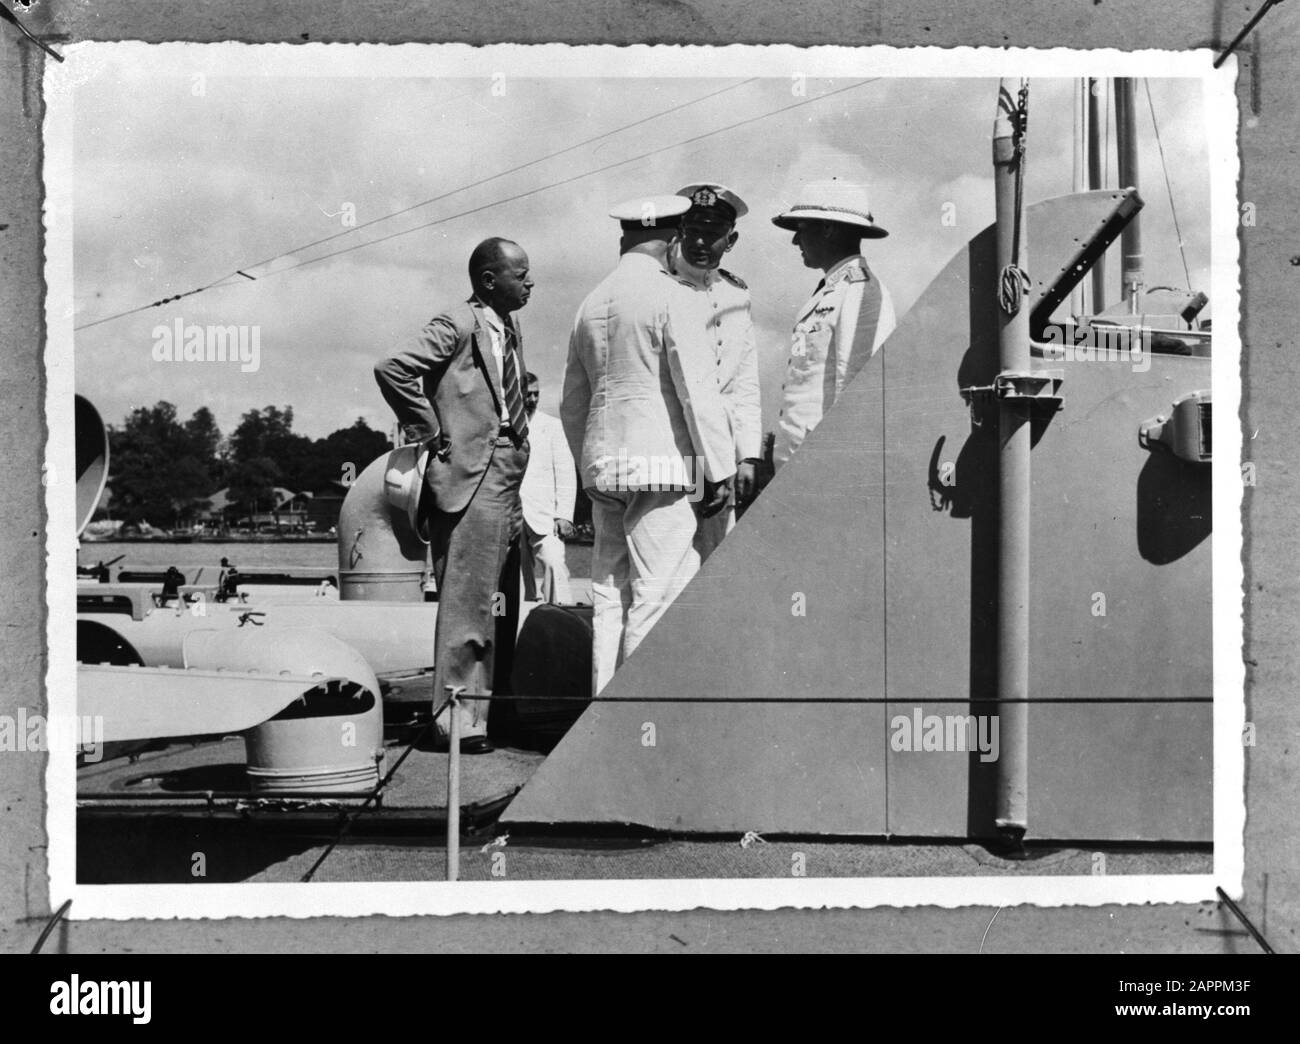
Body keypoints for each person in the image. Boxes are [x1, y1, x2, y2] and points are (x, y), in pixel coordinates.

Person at [562, 194, 736, 694]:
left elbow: (574, 400)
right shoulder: (672, 294)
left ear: (625, 239)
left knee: (609, 597)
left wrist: (587, 468)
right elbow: (696, 391)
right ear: (673, 237)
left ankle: (602, 718)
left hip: (604, 469)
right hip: (664, 470)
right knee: (656, 597)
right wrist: (718, 470)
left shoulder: (590, 302)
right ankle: (643, 722)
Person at [374, 236, 534, 754]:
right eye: (521, 274)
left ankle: (486, 714)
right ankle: (456, 725)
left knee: (497, 600)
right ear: (490, 280)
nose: (531, 283)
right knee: (468, 604)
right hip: (472, 475)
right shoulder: (457, 323)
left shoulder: (507, 326)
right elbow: (392, 368)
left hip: (507, 470)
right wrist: (431, 431)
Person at [772, 178, 897, 470]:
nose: (795, 241)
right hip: (798, 458)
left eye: (801, 229)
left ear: (828, 229)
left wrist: (842, 467)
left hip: (825, 462)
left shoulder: (860, 290)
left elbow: (858, 388)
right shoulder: (828, 292)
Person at [667, 181, 762, 560]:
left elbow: (744, 382)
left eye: (713, 235)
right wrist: (706, 470)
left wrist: (747, 456)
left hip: (723, 455)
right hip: (677, 454)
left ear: (731, 239)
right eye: (694, 232)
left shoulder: (737, 294)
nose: (702, 244)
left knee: (717, 562)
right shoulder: (663, 284)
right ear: (679, 231)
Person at [519, 371, 577, 604]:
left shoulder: (553, 427)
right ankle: (504, 622)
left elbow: (565, 472)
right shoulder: (501, 427)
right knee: (509, 576)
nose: (532, 400)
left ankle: (561, 617)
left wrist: (564, 515)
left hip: (544, 517)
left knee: (554, 563)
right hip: (510, 514)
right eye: (527, 394)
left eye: (536, 394)